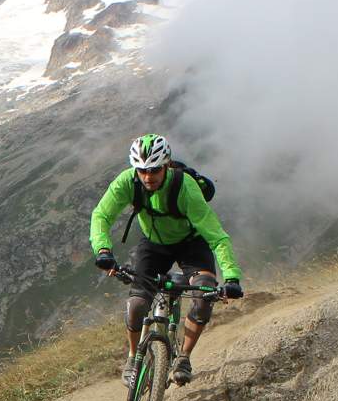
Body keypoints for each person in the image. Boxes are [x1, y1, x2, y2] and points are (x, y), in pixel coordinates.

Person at [89, 133, 243, 388]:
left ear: (167, 164)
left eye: (155, 170)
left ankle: (183, 357)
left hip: (191, 244)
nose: (148, 177)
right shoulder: (127, 182)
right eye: (142, 170)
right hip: (154, 244)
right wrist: (103, 250)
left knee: (204, 295)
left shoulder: (186, 187)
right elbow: (101, 215)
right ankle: (132, 359)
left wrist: (232, 277)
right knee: (137, 304)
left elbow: (216, 236)